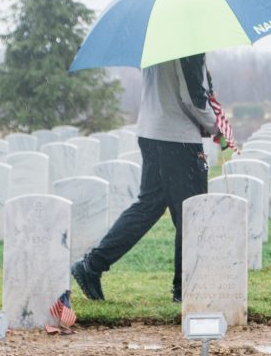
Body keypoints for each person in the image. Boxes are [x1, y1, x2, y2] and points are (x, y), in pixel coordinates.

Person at [71, 53, 219, 303]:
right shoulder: (187, 46)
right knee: (192, 214)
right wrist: (217, 126)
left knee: (148, 207)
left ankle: (92, 266)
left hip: (152, 131)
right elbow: (191, 97)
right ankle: (185, 289)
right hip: (178, 138)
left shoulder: (157, 41)